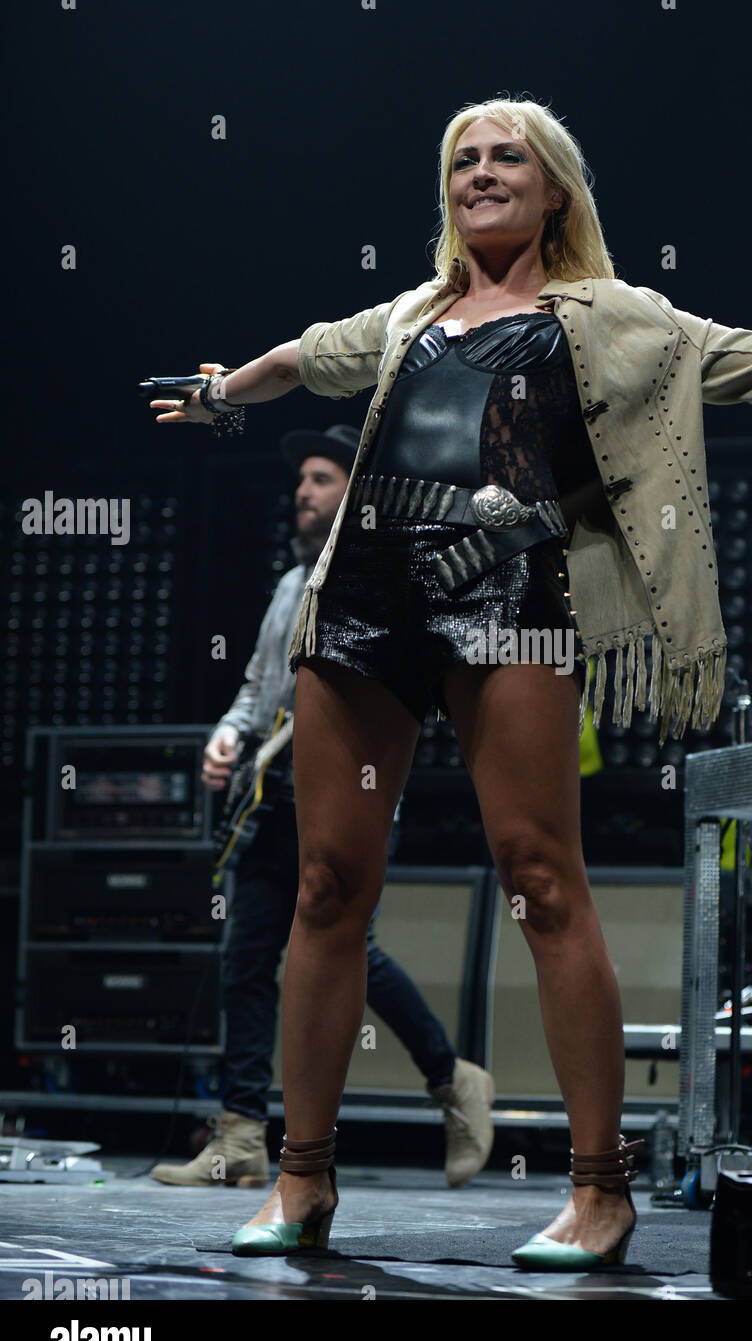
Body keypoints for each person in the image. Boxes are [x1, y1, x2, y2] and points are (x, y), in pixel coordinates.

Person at [151, 96, 752, 1270]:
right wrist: (222, 392)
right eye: (461, 160)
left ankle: (598, 1190)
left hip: (510, 598)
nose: (479, 173)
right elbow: (302, 357)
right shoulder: (412, 311)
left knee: (538, 877)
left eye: (505, 156)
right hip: (363, 594)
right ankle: (302, 1177)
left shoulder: (612, 315)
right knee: (323, 884)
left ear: (554, 185)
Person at [148, 425, 494, 1193]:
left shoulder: (382, 575)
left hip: (350, 798)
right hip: (276, 804)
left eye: (318, 478)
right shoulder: (284, 588)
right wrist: (227, 738)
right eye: (299, 480)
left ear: (355, 492)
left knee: (352, 956)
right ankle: (239, 1137)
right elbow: (254, 689)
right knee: (245, 962)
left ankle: (452, 1080)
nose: (300, 492)